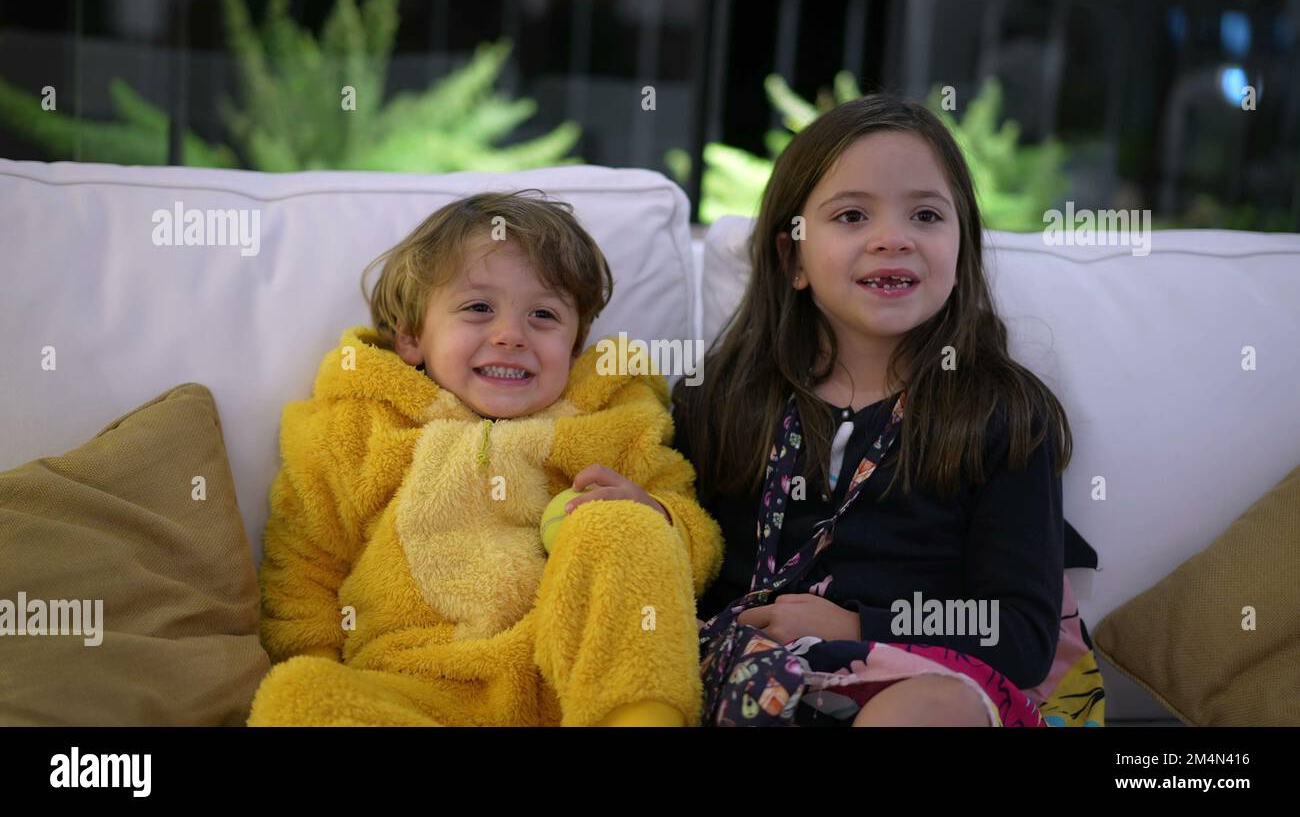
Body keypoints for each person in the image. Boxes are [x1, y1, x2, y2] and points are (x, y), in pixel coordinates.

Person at [674, 94, 1104, 727]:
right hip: (750, 682)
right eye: (851, 215)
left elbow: (1020, 635)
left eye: (926, 215)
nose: (892, 239)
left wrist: (858, 624)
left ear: (961, 253)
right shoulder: (721, 399)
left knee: (928, 709)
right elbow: (685, 560)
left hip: (922, 680)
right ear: (793, 257)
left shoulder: (1000, 414)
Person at [248, 191, 722, 727]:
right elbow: (304, 568)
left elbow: (697, 541)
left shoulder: (612, 416)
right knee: (298, 694)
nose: (510, 336)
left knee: (621, 522)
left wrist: (656, 517)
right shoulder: (357, 428)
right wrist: (316, 656)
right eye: (478, 308)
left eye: (543, 315)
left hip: (568, 686)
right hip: (416, 688)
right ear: (410, 337)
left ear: (575, 345)